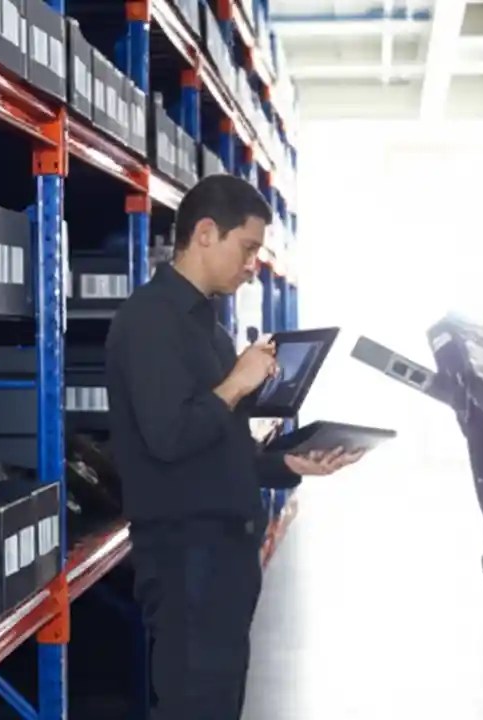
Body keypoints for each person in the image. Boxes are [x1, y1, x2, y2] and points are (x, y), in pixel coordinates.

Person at [104, 174, 363, 720]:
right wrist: (237, 383)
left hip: (221, 553)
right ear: (204, 233)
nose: (252, 266)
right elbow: (169, 436)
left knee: (218, 704)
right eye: (246, 248)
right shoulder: (150, 320)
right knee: (193, 706)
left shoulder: (209, 327)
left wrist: (285, 463)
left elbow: (216, 442)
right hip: (183, 555)